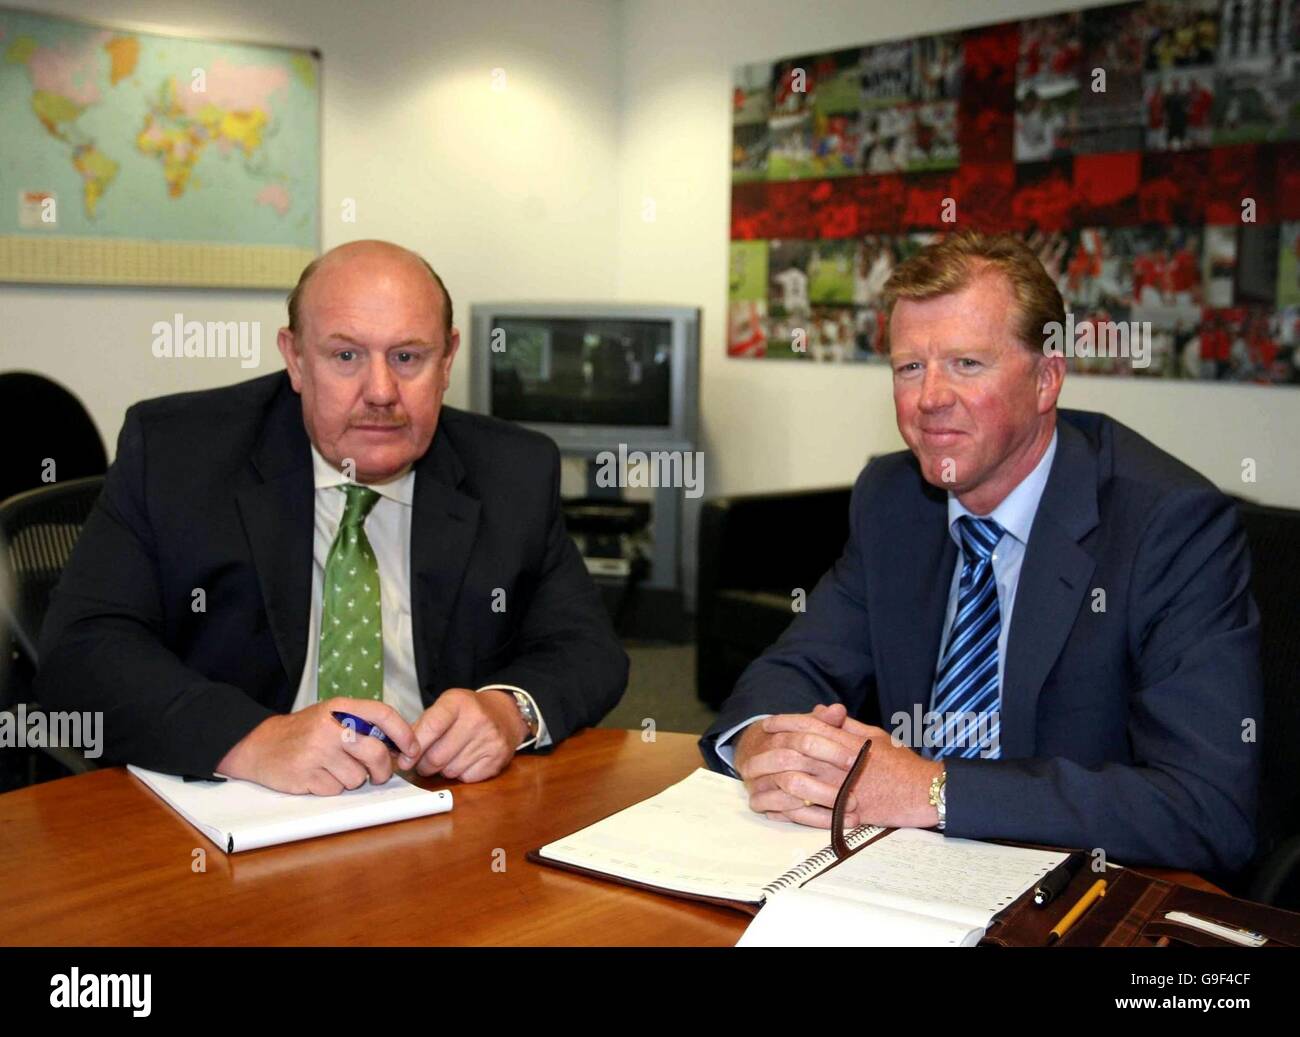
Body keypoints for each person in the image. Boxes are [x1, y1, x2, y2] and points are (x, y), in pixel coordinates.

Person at [701, 230, 1261, 875]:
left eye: (967, 363)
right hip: (903, 868)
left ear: (1047, 378)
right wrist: (761, 741)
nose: (931, 396)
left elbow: (1207, 808)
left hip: (1079, 886)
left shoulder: (1170, 525)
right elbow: (801, 663)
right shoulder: (893, 498)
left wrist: (932, 791)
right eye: (910, 367)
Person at [38, 241, 628, 794]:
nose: (381, 391)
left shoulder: (513, 470)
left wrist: (509, 710)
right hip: (238, 810)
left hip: (437, 806)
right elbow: (82, 651)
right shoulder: (177, 454)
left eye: (407, 357)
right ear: (295, 359)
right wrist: (250, 739)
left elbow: (586, 648)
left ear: (447, 360)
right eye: (345, 355)